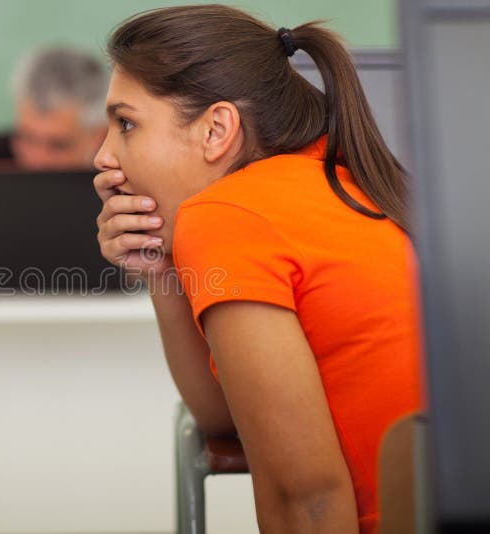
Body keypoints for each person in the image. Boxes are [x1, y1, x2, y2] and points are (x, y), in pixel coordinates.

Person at [93, 6, 422, 533]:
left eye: (126, 123)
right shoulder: (338, 179)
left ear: (217, 129)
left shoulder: (231, 214)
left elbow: (306, 500)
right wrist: (160, 266)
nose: (104, 156)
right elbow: (226, 418)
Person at [0, 46, 108, 171]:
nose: (37, 161)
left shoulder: (121, 176)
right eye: (26, 138)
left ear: (98, 137)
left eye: (58, 145)